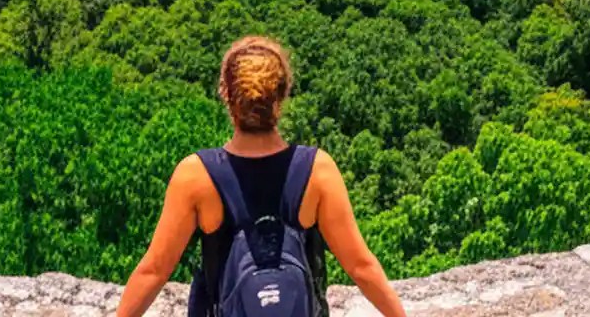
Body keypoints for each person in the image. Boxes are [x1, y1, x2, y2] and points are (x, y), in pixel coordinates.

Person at [116, 36, 407, 317]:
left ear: (226, 95)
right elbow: (360, 267)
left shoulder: (196, 175)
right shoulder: (317, 169)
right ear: (281, 98)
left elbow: (154, 271)